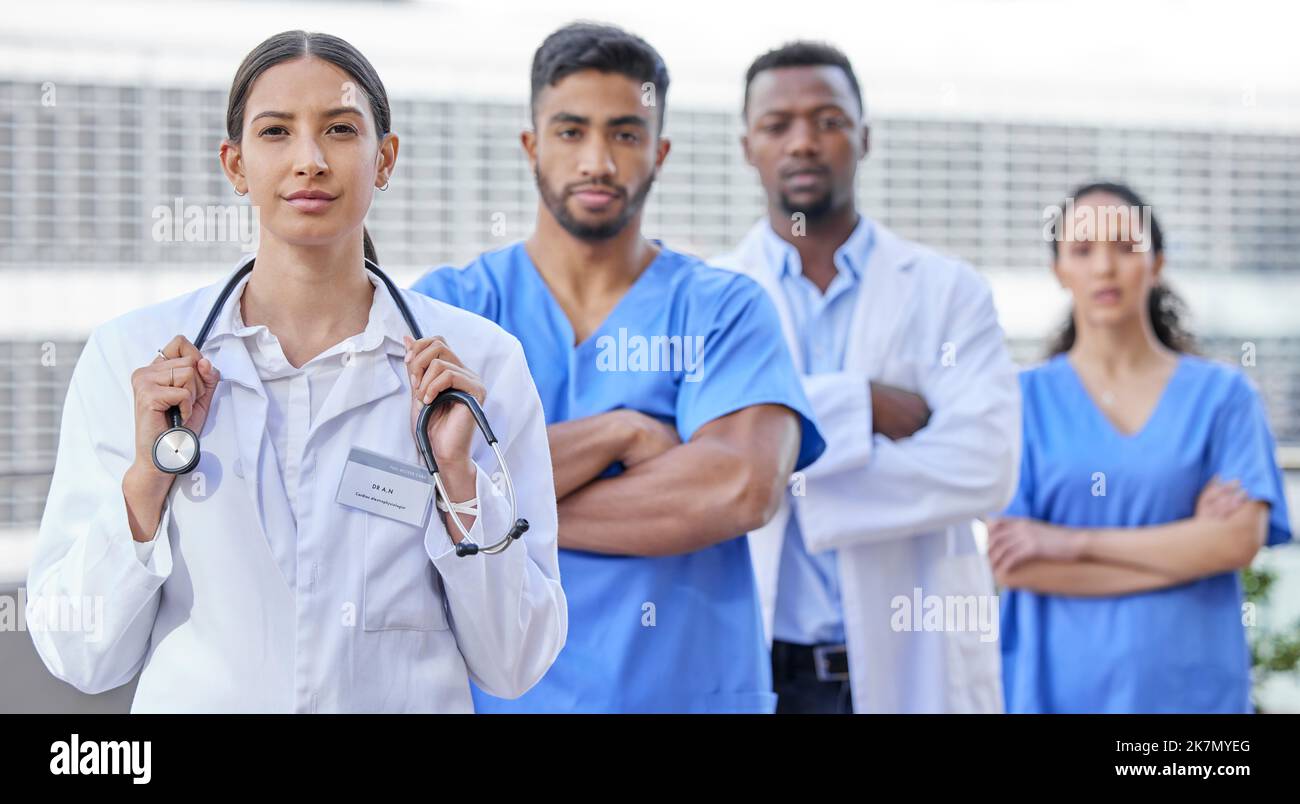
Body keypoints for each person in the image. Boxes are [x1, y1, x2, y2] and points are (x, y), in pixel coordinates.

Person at [25, 30, 566, 713]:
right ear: (235, 164)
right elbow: (80, 654)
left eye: (341, 129)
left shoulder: (479, 364)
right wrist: (146, 482)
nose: (309, 160)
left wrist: (459, 485)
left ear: (385, 159)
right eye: (276, 132)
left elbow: (516, 661)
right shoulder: (130, 360)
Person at [412, 23, 825, 713]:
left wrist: (488, 510)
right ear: (531, 145)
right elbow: (406, 494)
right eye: (571, 132)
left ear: (659, 152)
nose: (598, 160)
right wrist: (619, 434)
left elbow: (739, 489)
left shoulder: (722, 308)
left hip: (686, 693)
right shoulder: (455, 308)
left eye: (625, 134)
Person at [713, 42, 1021, 713]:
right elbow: (699, 465)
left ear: (864, 136)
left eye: (828, 120)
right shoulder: (708, 298)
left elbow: (986, 465)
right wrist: (861, 407)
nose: (803, 142)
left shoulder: (949, 291)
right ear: (747, 146)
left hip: (910, 668)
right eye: (777, 125)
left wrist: (786, 468)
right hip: (760, 669)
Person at [991, 181, 1292, 713]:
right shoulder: (1021, 401)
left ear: (1156, 263)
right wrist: (1188, 543)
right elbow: (1015, 564)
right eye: (1082, 250)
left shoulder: (1223, 397)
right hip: (1056, 694)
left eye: (1125, 247)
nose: (1104, 267)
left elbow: (1234, 544)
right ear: (1059, 270)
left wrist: (1068, 543)